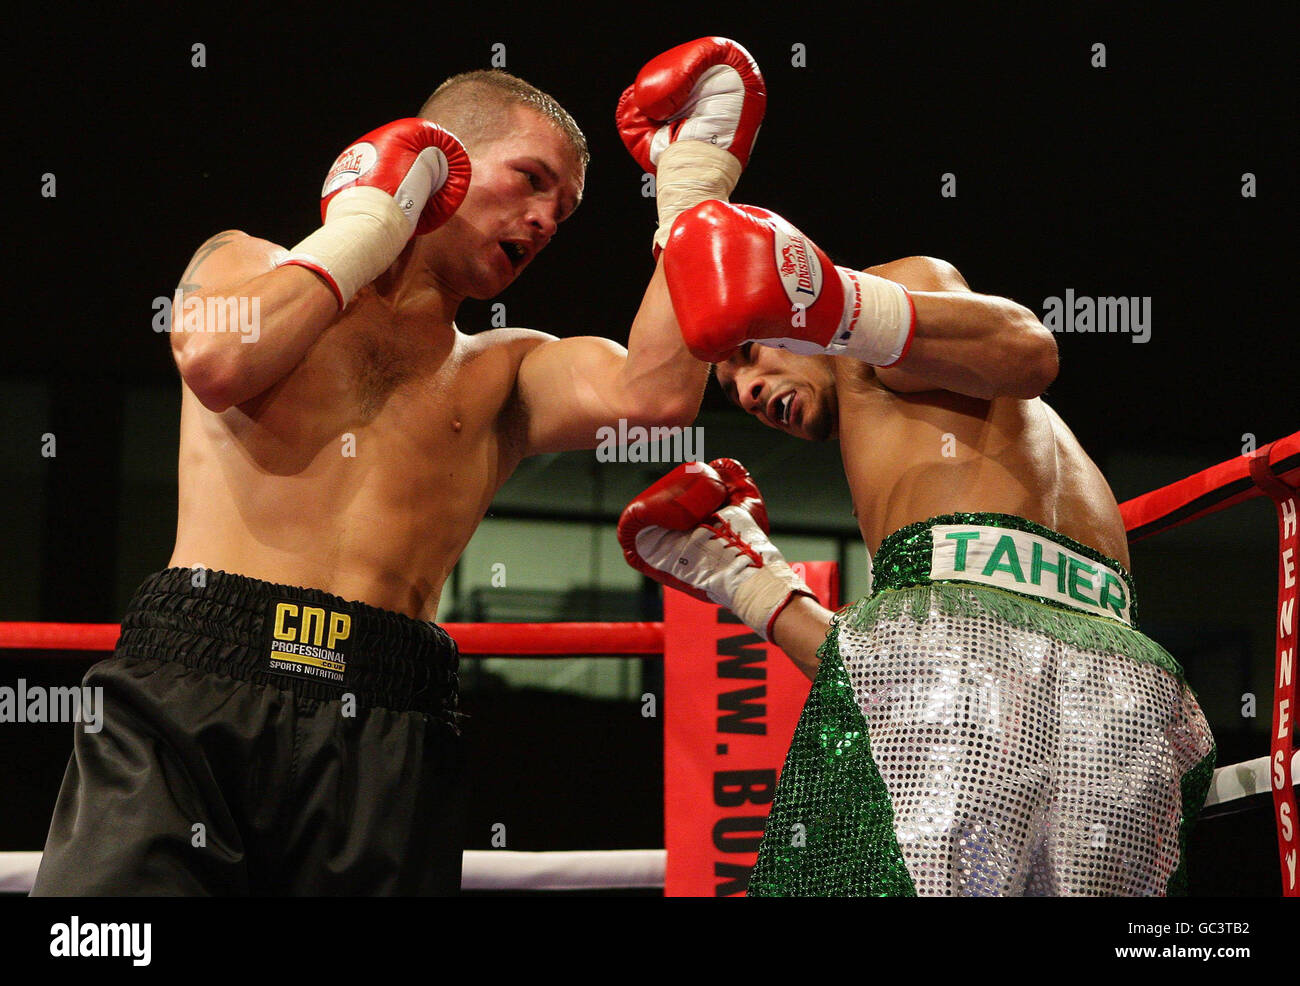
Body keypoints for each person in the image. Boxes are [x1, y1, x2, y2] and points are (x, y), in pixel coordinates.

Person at [32, 39, 765, 895]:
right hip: (196, 678)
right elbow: (221, 359)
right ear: (437, 153)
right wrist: (369, 225)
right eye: (529, 180)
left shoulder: (507, 370)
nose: (543, 221)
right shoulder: (248, 261)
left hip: (383, 708)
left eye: (562, 212)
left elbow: (655, 399)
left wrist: (691, 193)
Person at [618, 201, 1216, 896]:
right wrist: (745, 578)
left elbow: (1032, 349)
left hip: (1003, 668)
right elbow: (918, 670)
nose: (748, 391)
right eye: (732, 391)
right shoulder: (967, 441)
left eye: (748, 354)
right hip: (1128, 691)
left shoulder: (884, 310)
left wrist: (830, 300)